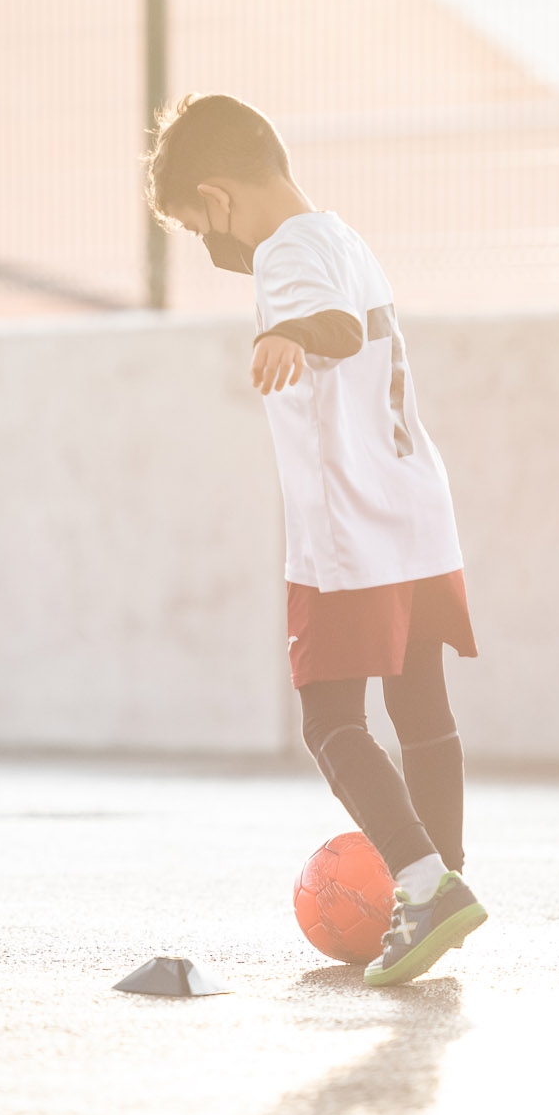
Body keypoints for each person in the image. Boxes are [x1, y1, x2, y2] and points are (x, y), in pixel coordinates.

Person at [146, 93, 486, 987]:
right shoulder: (340, 235)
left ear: (218, 197)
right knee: (421, 712)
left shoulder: (288, 253)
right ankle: (444, 881)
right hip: (415, 505)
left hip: (351, 524)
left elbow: (331, 326)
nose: (207, 244)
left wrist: (289, 332)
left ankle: (421, 883)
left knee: (330, 720)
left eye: (195, 225)